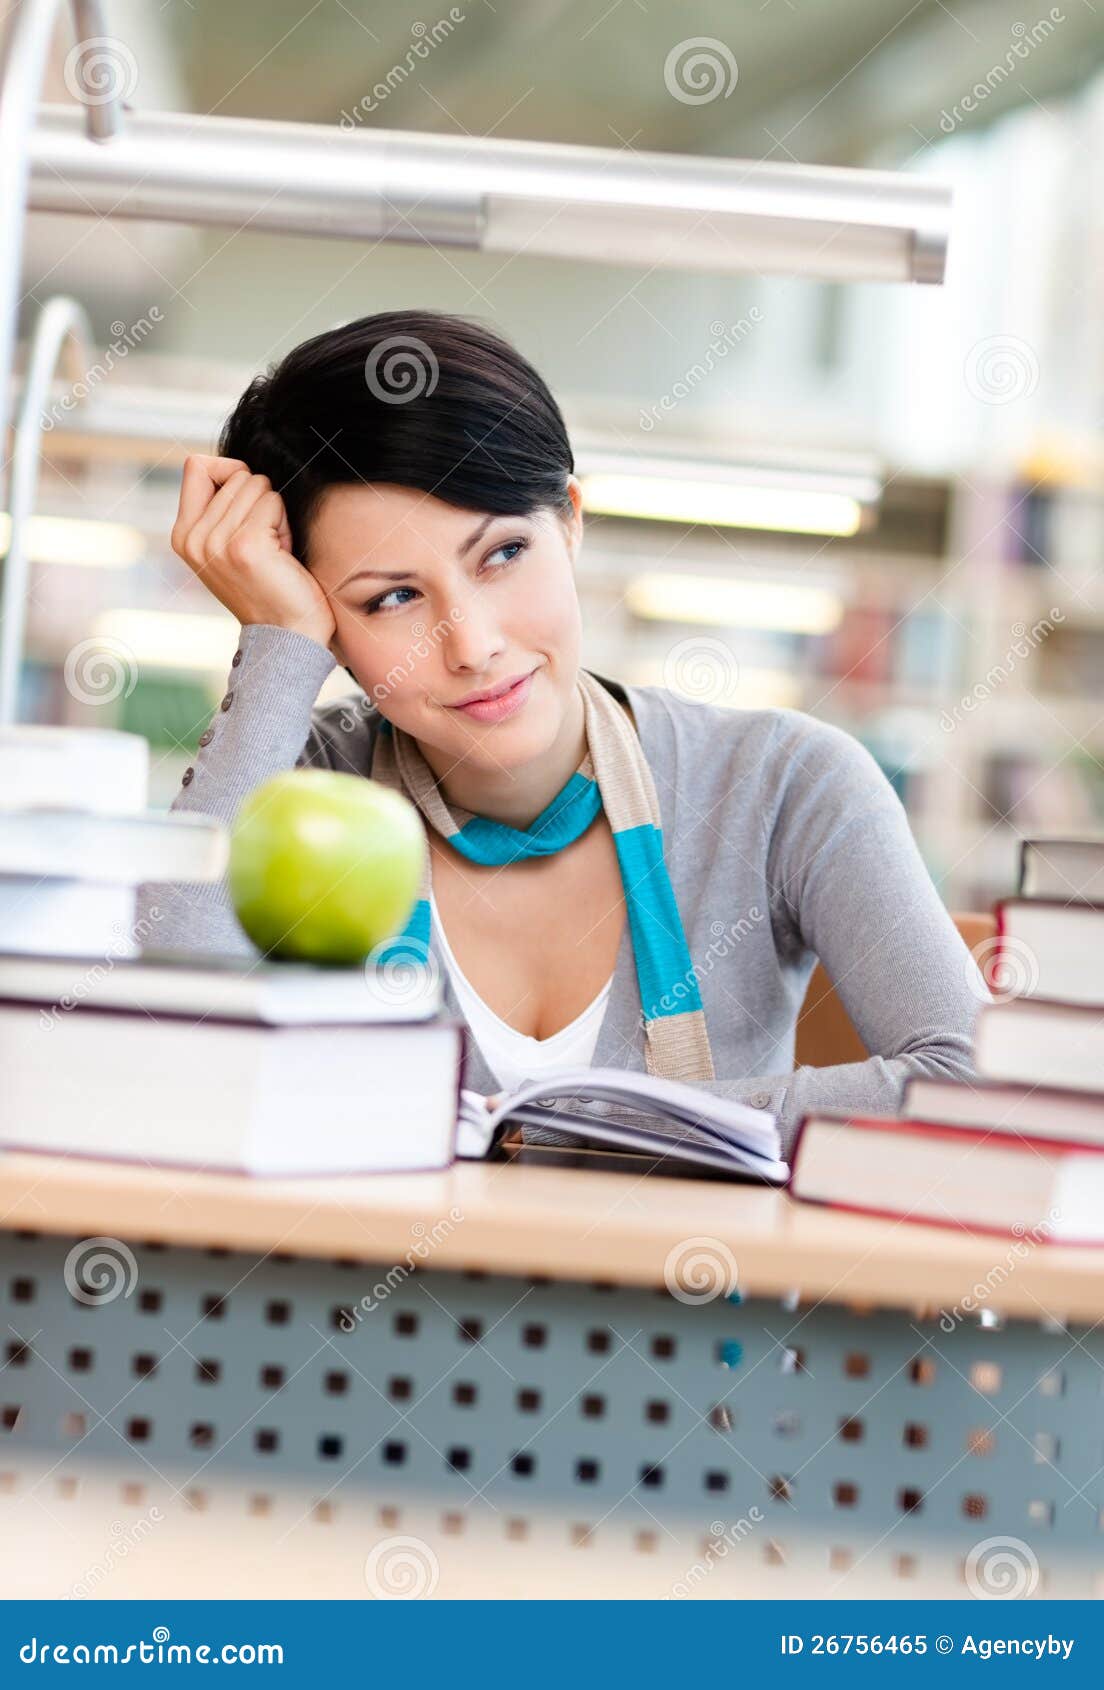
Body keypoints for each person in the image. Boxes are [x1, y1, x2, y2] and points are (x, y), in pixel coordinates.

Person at [135, 308, 982, 1158]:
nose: (473, 645)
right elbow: (158, 1055)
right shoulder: (298, 785)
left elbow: (971, 1084)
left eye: (502, 553)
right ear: (327, 620)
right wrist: (278, 649)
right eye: (389, 598)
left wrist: (573, 1124)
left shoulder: (782, 784)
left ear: (569, 521)